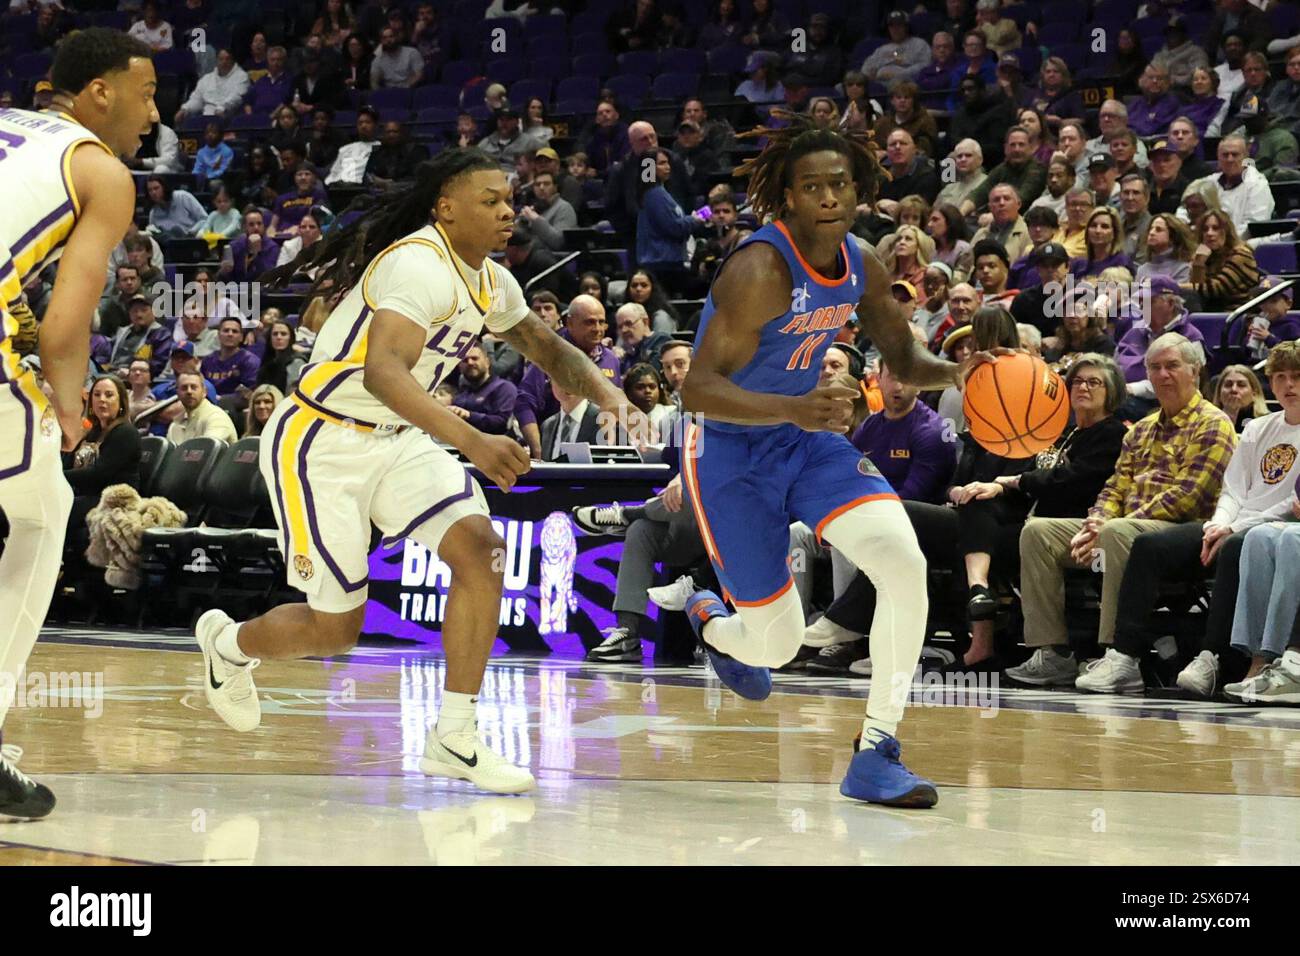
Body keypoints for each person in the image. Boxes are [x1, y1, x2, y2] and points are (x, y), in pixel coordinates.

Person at [195, 148, 650, 794]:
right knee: (335, 628)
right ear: (445, 207)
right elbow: (384, 373)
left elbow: (549, 349)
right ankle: (229, 646)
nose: (506, 211)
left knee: (482, 549)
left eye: (509, 199)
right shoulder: (417, 264)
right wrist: (475, 442)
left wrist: (620, 405)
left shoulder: (492, 280)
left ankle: (455, 736)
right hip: (322, 443)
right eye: (489, 200)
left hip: (398, 437)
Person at [678, 110, 991, 809]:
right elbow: (695, 388)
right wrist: (792, 406)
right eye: (812, 186)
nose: (828, 197)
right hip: (730, 451)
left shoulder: (863, 261)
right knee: (777, 646)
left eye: (840, 184)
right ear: (787, 196)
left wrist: (961, 372)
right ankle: (712, 622)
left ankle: (876, 749)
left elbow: (904, 356)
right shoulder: (759, 268)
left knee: (902, 560)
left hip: (806, 439)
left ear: (858, 191)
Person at [1020, 333, 1237, 693]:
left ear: (1195, 372)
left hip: (1184, 532)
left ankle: (1117, 654)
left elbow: (1188, 496)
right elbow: (1115, 487)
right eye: (1155, 367)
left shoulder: (1213, 423)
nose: (1163, 374)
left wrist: (1110, 526)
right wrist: (1095, 523)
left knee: (1116, 533)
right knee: (1037, 532)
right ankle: (1054, 651)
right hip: (1123, 527)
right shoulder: (1140, 429)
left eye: (1172, 366)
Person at [1189, 209, 1261, 312]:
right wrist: (1198, 264)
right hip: (1212, 314)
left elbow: (1216, 289)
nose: (1209, 233)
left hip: (1239, 316)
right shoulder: (1207, 255)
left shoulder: (1241, 254)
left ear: (1227, 231)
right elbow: (1197, 294)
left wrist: (1176, 286)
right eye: (1205, 229)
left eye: (1215, 228)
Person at [450, 342, 517, 436]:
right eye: (465, 360)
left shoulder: (504, 388)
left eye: (475, 358)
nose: (470, 362)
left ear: (487, 362)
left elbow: (503, 423)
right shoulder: (461, 396)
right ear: (459, 367)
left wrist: (468, 415)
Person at [175, 48, 249, 123]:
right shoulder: (206, 78)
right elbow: (197, 99)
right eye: (221, 59)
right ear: (217, 61)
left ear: (233, 61)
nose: (224, 62)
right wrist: (185, 109)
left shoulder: (242, 76)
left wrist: (222, 108)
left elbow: (237, 98)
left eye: (227, 59)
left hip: (229, 118)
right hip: (206, 118)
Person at [166, 369, 238, 444]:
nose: (189, 391)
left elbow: (206, 449)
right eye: (184, 388)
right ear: (177, 393)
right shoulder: (175, 424)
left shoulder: (216, 417)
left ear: (204, 392)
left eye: (194, 387)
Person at [1070, 206, 1131, 281]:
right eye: (1093, 226)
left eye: (1104, 227)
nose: (1098, 231)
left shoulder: (1122, 262)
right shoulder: (1078, 263)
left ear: (1114, 233)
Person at [1210, 364, 1269, 433]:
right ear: (1219, 393)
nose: (1234, 389)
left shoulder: (1267, 422)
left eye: (1241, 385)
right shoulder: (1205, 420)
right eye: (1228, 385)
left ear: (1254, 393)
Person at [255, 320, 304, 395]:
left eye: (283, 334)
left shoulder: (297, 362)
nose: (279, 337)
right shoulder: (267, 360)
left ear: (291, 338)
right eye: (275, 334)